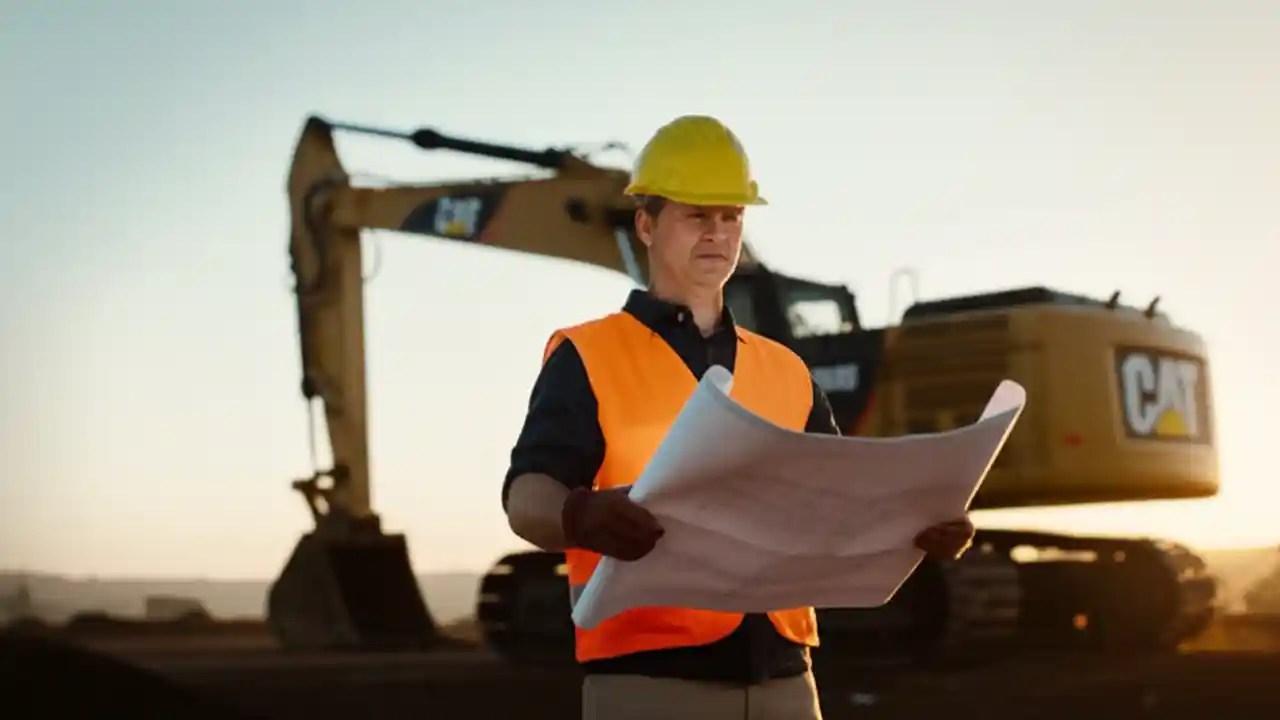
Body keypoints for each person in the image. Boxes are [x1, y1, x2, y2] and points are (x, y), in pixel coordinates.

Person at [501, 115, 975, 720]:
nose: (717, 233)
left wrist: (916, 523)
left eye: (731, 216)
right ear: (646, 225)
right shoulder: (588, 355)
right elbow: (526, 495)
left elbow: (837, 503)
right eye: (697, 215)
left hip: (787, 685)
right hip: (649, 686)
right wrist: (581, 514)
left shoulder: (786, 370)